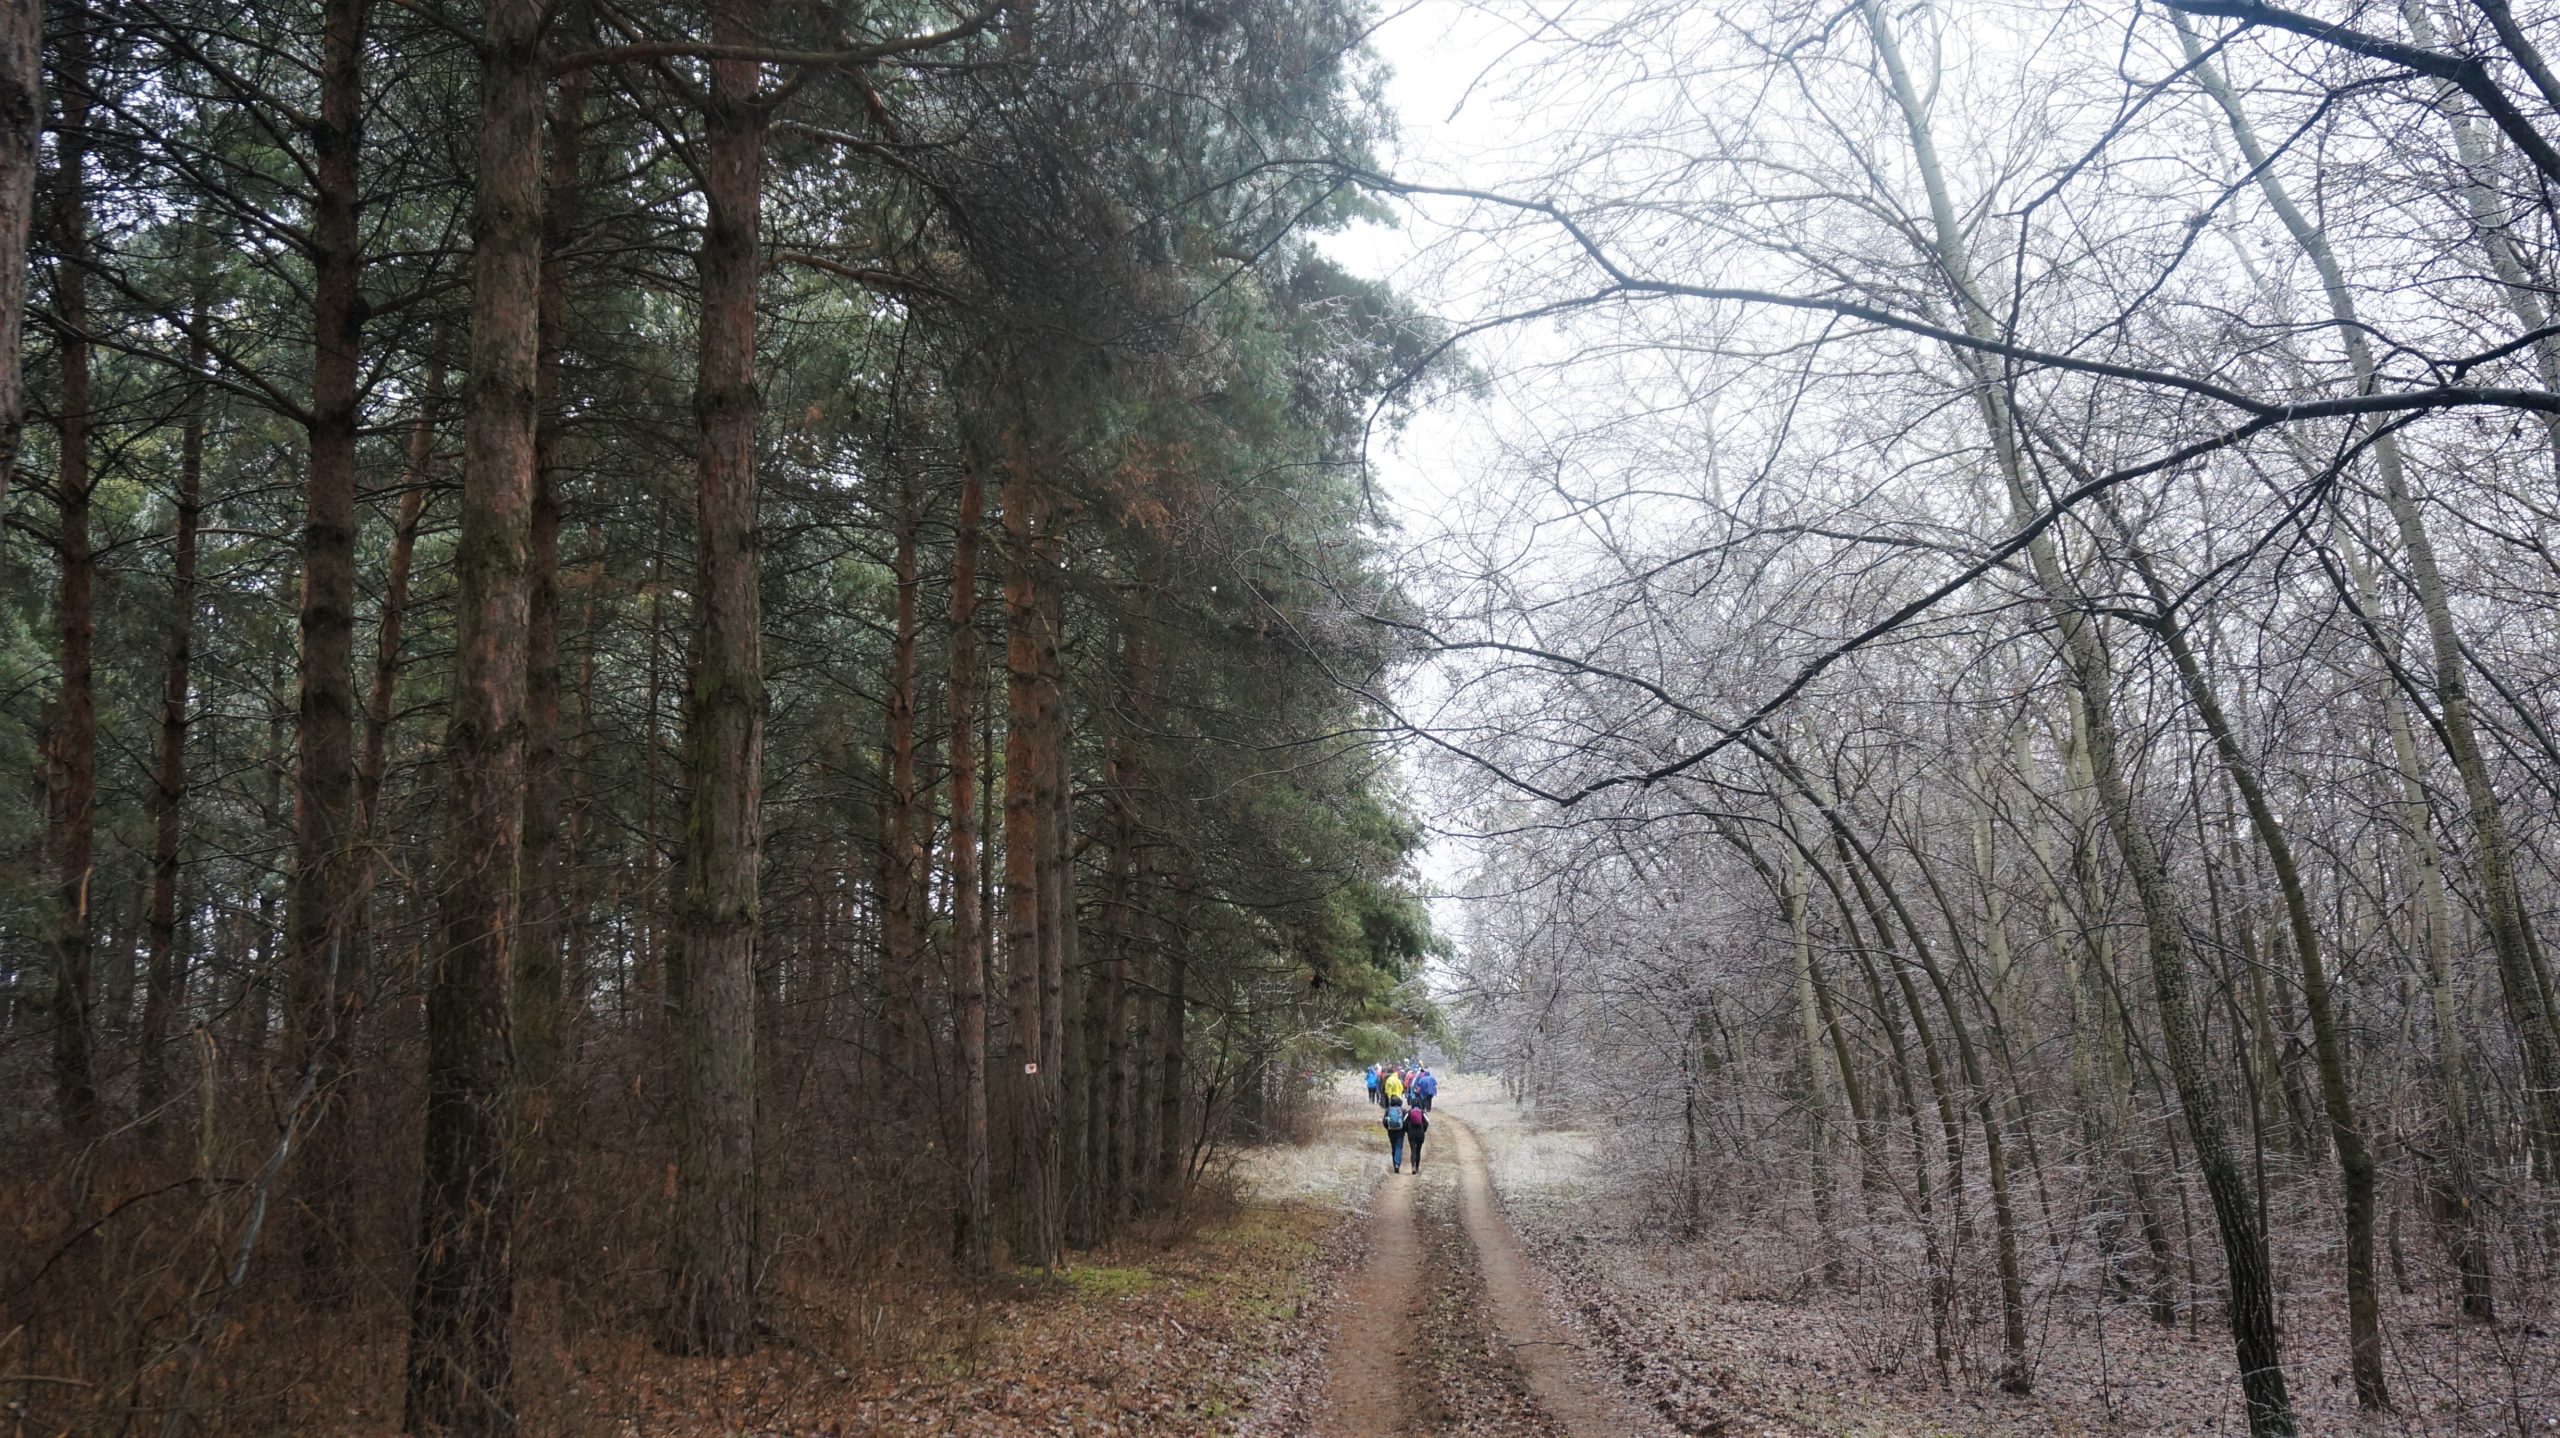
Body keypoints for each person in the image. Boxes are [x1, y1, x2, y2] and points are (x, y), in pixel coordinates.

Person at [1383, 1091, 1417, 1172]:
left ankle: (1394, 1163)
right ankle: (1397, 1164)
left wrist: (1388, 1128)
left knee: (1393, 1147)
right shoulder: (1403, 1110)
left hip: (1391, 1131)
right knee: (1399, 1147)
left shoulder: (1388, 1110)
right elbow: (1405, 1122)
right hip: (1400, 1132)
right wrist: (1405, 1130)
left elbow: (1384, 1121)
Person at [1401, 1101, 1430, 1173]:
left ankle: (1413, 1166)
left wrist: (1408, 1131)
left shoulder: (1409, 1112)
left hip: (1411, 1134)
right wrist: (1423, 1130)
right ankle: (1417, 1167)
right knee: (1418, 1151)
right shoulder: (1422, 1112)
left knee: (1413, 1150)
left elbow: (1404, 1123)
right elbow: (1427, 1123)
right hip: (1420, 1134)